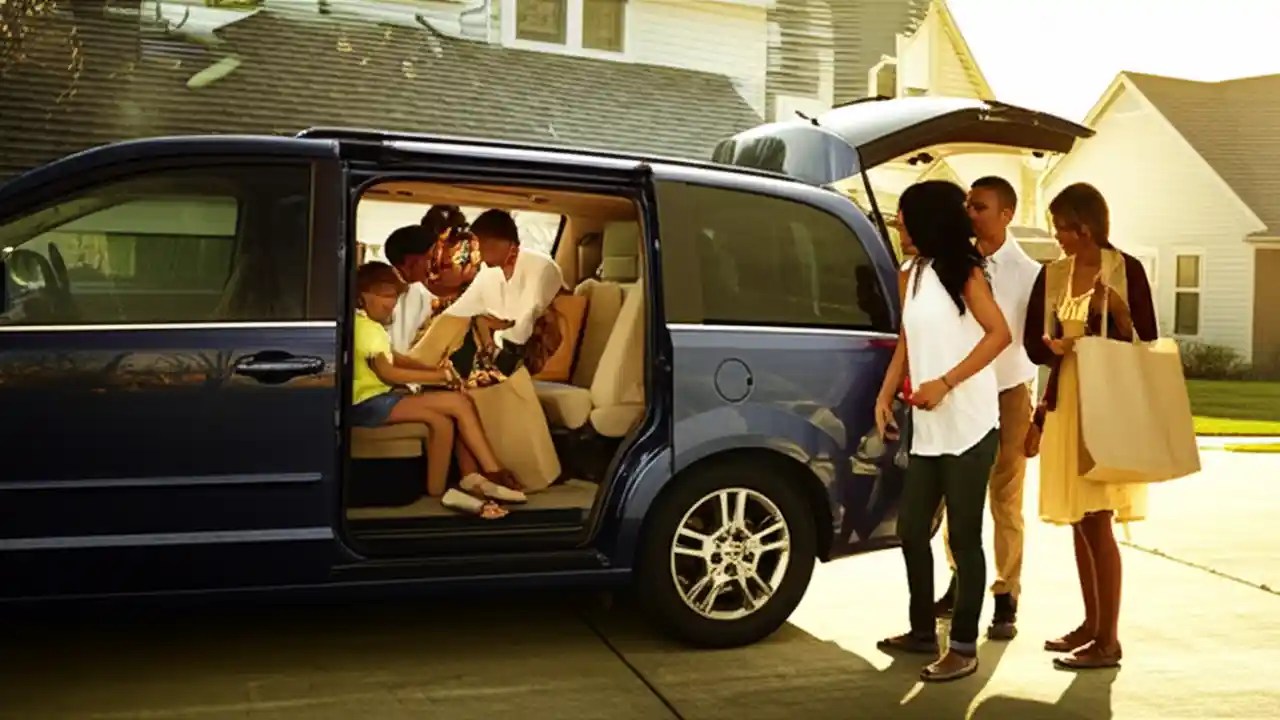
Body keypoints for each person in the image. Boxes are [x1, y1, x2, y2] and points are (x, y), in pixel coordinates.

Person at [874, 180, 1011, 683]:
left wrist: (947, 382)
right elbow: (907, 340)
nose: (899, 223)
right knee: (911, 529)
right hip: (929, 425)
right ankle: (920, 632)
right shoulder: (907, 274)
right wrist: (886, 394)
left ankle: (963, 647)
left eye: (905, 215)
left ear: (927, 220)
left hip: (970, 424)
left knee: (965, 538)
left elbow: (1000, 334)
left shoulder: (966, 272)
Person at [1024, 182, 1157, 670]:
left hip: (1109, 406)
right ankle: (1091, 624)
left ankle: (1108, 641)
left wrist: (1116, 310)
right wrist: (1052, 354)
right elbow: (1033, 346)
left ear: (1086, 227)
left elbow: (1147, 340)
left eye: (1063, 227)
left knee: (1098, 518)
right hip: (1067, 404)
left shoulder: (1126, 269)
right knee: (1081, 519)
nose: (1058, 236)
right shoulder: (1053, 274)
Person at [934, 177, 1041, 640]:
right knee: (957, 495)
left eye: (980, 207)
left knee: (1006, 499)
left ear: (1006, 214)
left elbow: (1040, 345)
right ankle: (959, 580)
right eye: (968, 206)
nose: (970, 214)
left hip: (1010, 393)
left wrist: (1040, 413)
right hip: (962, 392)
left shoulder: (1031, 274)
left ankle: (1005, 594)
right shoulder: (954, 265)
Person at [350, 261, 524, 518]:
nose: (391, 304)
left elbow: (395, 358)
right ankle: (493, 472)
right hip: (369, 404)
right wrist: (438, 376)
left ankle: (438, 491)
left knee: (441, 421)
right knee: (459, 403)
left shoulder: (364, 326)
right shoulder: (367, 328)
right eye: (384, 296)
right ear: (361, 296)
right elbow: (388, 372)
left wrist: (429, 369)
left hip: (370, 401)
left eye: (394, 296)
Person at [444, 209, 566, 376]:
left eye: (479, 247)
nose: (475, 254)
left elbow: (522, 328)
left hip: (530, 353)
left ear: (496, 243)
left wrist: (490, 330)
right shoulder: (489, 272)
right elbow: (458, 311)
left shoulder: (541, 268)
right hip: (502, 349)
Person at [382, 225, 437, 354]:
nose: (435, 265)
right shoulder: (375, 293)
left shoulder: (425, 295)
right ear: (412, 261)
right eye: (431, 258)